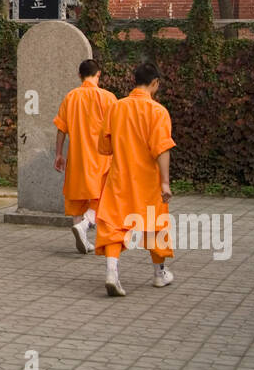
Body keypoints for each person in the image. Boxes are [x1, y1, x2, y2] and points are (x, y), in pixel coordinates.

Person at [94, 61, 176, 296]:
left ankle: (112, 271)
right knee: (155, 224)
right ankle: (159, 274)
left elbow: (104, 146)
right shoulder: (158, 112)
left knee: (113, 224)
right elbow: (162, 149)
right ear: (155, 83)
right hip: (148, 180)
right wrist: (165, 182)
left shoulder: (116, 108)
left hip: (119, 177)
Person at [53, 59, 117, 254]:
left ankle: (81, 234)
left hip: (77, 155)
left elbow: (61, 129)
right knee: (103, 195)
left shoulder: (71, 97)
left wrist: (58, 154)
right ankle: (85, 226)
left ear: (79, 75)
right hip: (102, 156)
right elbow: (116, 129)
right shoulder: (108, 98)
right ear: (98, 74)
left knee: (77, 198)